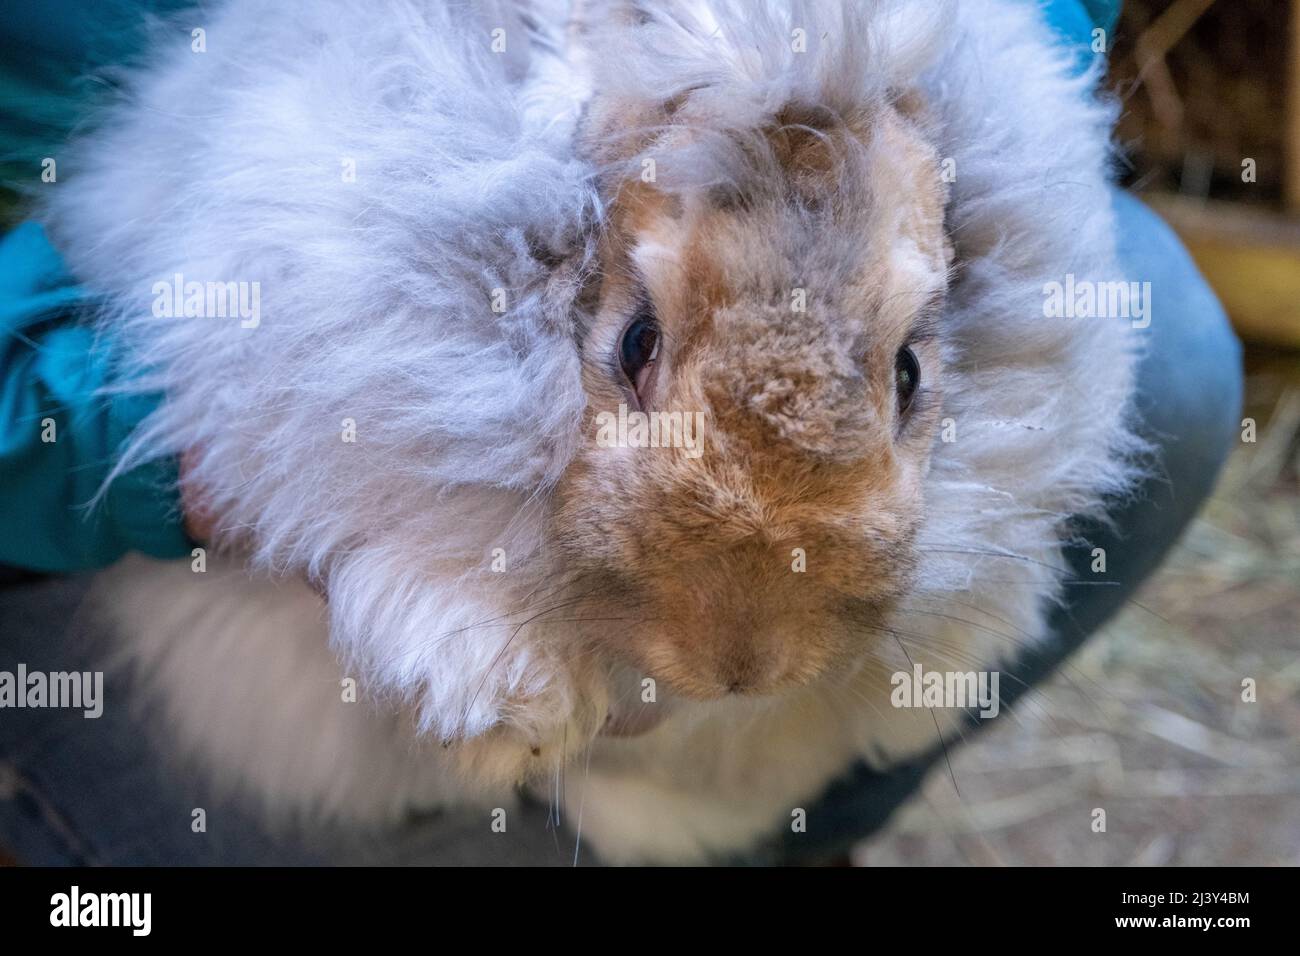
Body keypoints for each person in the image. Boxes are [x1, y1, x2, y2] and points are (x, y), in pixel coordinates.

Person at [0, 0, 1242, 864]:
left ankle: (755, 820)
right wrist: (245, 473)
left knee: (1169, 367)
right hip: (79, 483)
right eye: (645, 347)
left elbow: (1037, 50)